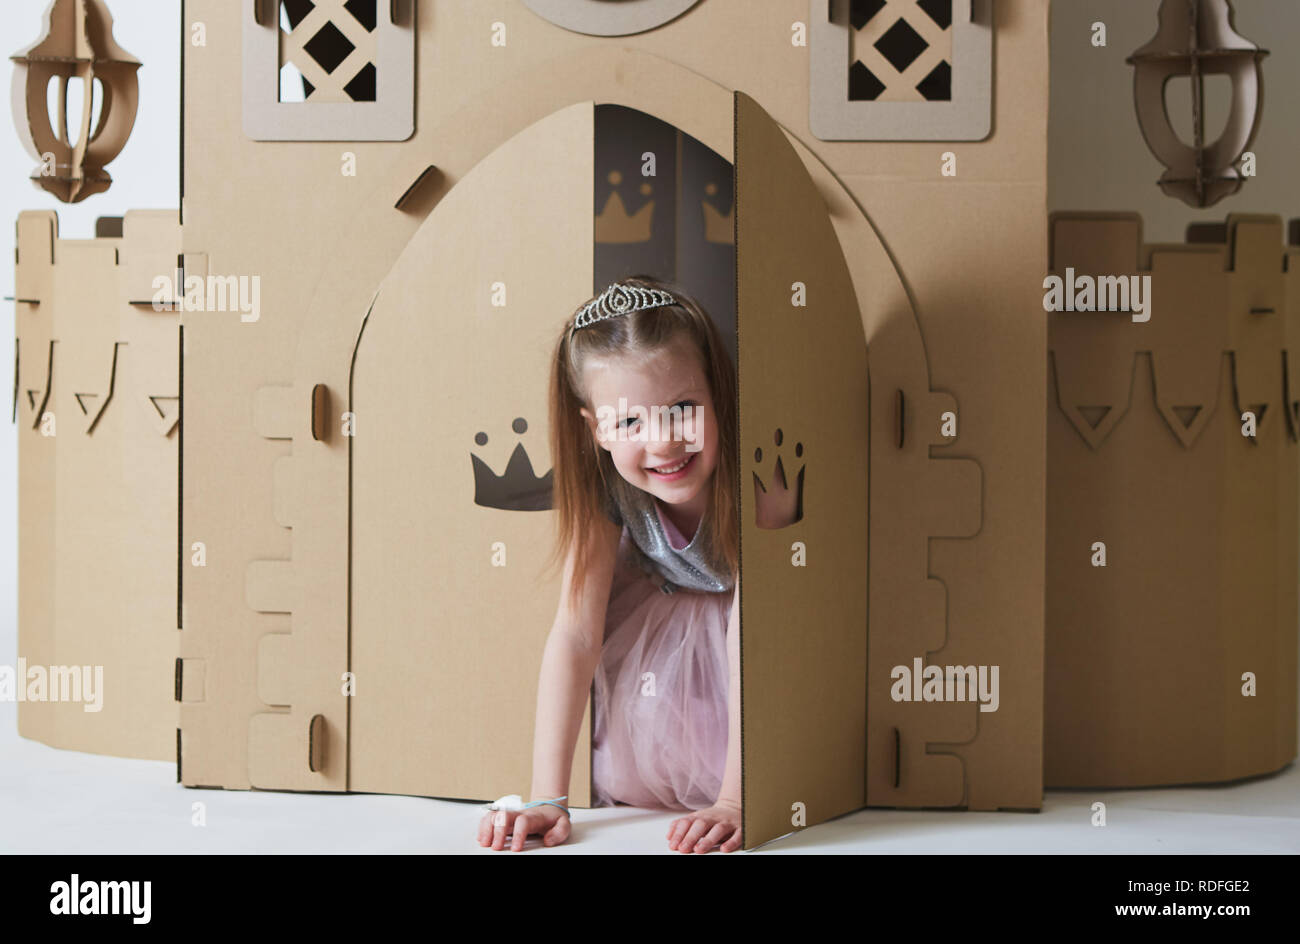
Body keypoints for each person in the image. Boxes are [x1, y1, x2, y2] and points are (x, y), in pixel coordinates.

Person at [476, 275, 755, 853]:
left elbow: (762, 629)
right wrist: (547, 798)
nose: (663, 444)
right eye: (629, 422)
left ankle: (737, 777)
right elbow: (576, 632)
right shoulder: (609, 488)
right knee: (629, 764)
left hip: (757, 643)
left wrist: (737, 798)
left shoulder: (750, 474)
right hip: (669, 631)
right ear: (595, 429)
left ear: (719, 392)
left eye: (683, 408)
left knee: (748, 616)